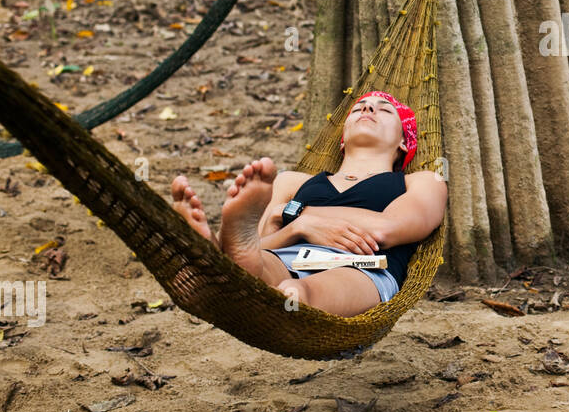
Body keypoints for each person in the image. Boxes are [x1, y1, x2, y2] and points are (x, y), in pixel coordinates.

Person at [168, 91, 447, 317]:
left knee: (297, 293)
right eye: (359, 107)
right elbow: (262, 242)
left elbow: (386, 229)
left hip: (363, 268)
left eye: (384, 110)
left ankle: (216, 262)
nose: (368, 110)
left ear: (402, 141)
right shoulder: (291, 181)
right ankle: (218, 262)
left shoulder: (422, 181)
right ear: (343, 138)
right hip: (289, 256)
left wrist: (299, 215)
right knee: (252, 261)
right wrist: (297, 229)